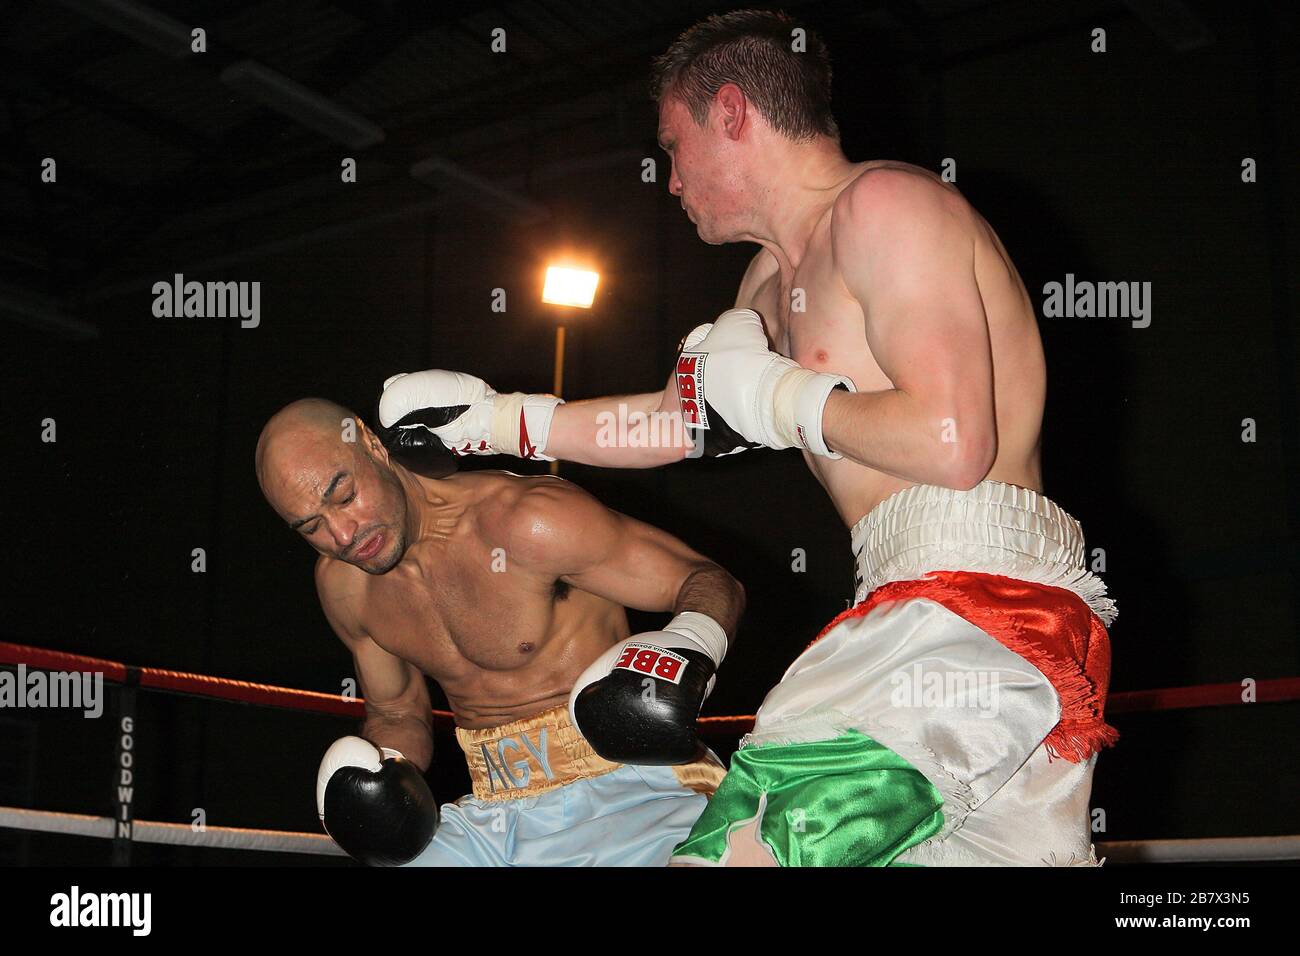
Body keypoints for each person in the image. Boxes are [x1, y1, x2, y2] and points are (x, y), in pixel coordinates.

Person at [377, 9, 1117, 866]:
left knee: (736, 854)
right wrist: (496, 420)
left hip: (981, 605)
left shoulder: (887, 206)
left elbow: (953, 442)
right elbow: (680, 421)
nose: (670, 180)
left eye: (673, 147)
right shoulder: (768, 279)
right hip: (901, 605)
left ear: (732, 113)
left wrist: (783, 398)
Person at [255, 397, 743, 866]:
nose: (343, 535)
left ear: (373, 446)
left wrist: (685, 649)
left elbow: (705, 580)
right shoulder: (344, 586)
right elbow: (397, 710)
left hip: (635, 787)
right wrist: (376, 780)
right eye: (310, 526)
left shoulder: (528, 521)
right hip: (495, 812)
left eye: (343, 496)